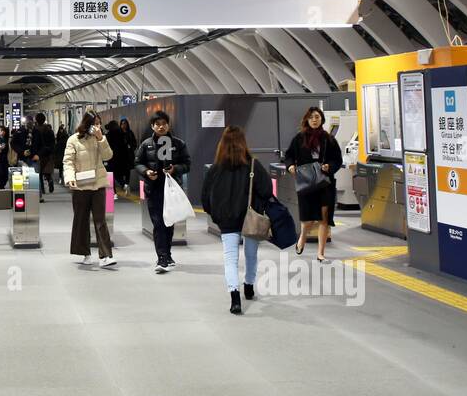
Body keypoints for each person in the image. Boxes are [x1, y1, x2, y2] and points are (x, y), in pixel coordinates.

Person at [202, 127, 272, 315]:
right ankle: (249, 285)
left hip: (226, 220)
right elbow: (266, 191)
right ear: (243, 143)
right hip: (250, 219)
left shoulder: (215, 169)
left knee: (230, 259)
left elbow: (205, 196)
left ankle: (235, 297)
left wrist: (216, 215)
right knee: (251, 255)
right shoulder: (253, 165)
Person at [134, 110, 191, 274]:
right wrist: (146, 172)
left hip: (172, 189)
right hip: (153, 189)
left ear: (168, 125)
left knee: (169, 222)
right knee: (158, 223)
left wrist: (175, 169)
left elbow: (187, 164)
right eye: (157, 124)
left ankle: (168, 254)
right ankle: (162, 258)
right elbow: (138, 163)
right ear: (152, 126)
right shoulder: (146, 144)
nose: (161, 127)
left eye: (164, 124)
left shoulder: (178, 144)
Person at [284, 106, 344, 261]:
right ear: (307, 120)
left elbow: (337, 159)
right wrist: (290, 166)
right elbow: (289, 155)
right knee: (308, 219)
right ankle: (302, 237)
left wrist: (329, 166)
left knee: (324, 218)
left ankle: (321, 253)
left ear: (322, 119)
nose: (314, 120)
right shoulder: (299, 138)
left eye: (317, 117)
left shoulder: (329, 139)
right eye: (311, 117)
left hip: (325, 182)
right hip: (306, 182)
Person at [63, 109, 117, 269]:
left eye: (99, 124)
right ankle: (85, 253)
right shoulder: (73, 140)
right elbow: (68, 161)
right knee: (81, 219)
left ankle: (106, 256)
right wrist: (69, 177)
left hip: (98, 184)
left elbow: (108, 156)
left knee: (101, 220)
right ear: (87, 124)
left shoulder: (100, 139)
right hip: (80, 186)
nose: (98, 127)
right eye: (95, 124)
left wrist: (101, 139)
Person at [31, 112, 56, 195]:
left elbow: (34, 142)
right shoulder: (49, 130)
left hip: (38, 154)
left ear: (36, 120)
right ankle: (50, 180)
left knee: (39, 172)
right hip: (48, 153)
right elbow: (53, 142)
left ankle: (42, 190)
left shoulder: (35, 130)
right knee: (47, 171)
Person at [104, 119, 128, 196]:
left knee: (110, 174)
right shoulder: (122, 134)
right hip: (120, 158)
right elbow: (125, 146)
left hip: (110, 157)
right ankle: (124, 184)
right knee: (118, 174)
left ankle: (113, 193)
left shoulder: (108, 135)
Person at [119, 118, 138, 193]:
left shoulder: (130, 133)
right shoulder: (119, 133)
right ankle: (123, 184)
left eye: (125, 123)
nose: (123, 125)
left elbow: (134, 143)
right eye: (122, 124)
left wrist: (131, 148)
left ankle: (126, 185)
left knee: (127, 171)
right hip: (120, 156)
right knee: (120, 171)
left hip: (128, 155)